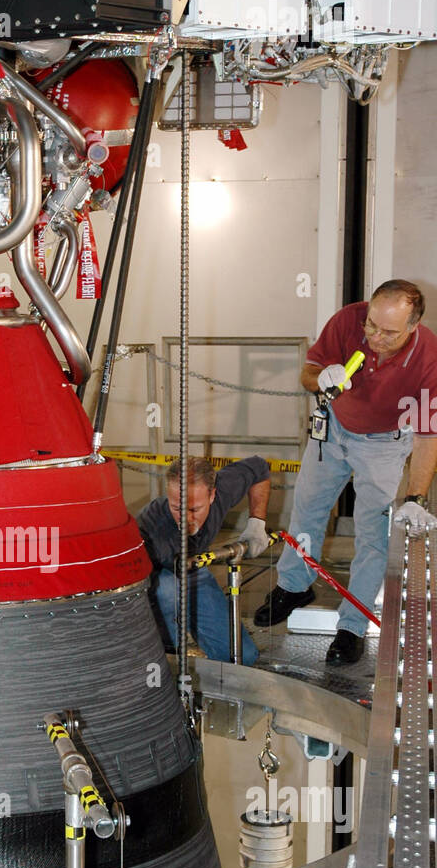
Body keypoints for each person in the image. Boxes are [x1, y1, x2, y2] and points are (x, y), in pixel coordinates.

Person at [255, 280, 437, 665]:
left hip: (386, 444)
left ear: (413, 326)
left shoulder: (429, 358)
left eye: (389, 332)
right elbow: (308, 373)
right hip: (333, 429)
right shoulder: (347, 321)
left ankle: (352, 625)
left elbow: (426, 435)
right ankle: (293, 585)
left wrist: (416, 497)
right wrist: (319, 378)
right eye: (371, 324)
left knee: (373, 535)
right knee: (307, 509)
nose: (374, 337)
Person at [137, 454, 271, 666]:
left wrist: (257, 522)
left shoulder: (224, 491)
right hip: (153, 583)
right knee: (164, 663)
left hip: (193, 573)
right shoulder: (151, 527)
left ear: (212, 495)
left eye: (194, 509)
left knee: (242, 657)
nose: (186, 518)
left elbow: (259, 468)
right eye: (176, 508)